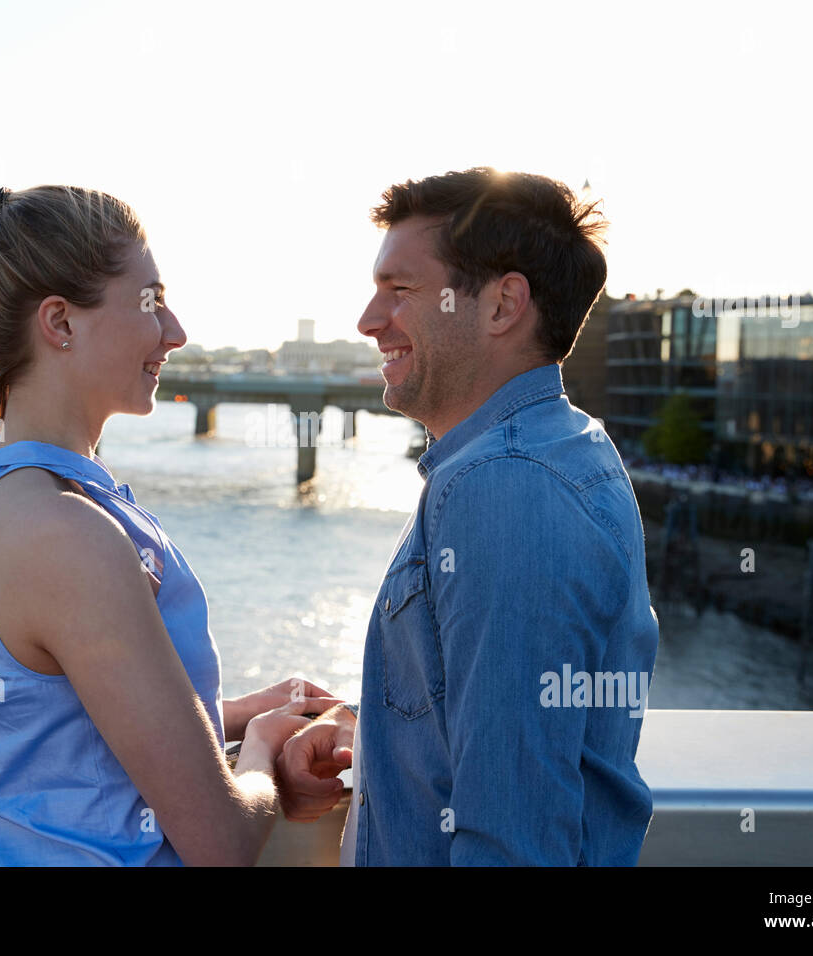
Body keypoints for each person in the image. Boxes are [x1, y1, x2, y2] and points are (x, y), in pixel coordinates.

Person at [0, 185, 340, 866]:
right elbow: (220, 841)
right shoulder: (65, 534)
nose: (176, 331)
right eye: (150, 300)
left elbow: (50, 731)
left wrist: (233, 713)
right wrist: (259, 754)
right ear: (61, 323)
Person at [276, 168, 660, 865]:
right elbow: (514, 718)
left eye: (401, 290)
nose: (368, 319)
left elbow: (512, 839)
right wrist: (366, 728)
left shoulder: (505, 489)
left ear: (501, 305)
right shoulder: (561, 448)